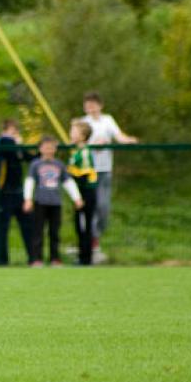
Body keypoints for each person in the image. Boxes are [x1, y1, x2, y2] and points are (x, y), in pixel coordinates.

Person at [79, 92, 138, 258]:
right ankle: (90, 241)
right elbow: (77, 141)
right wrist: (93, 144)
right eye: (87, 104)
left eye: (92, 104)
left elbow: (118, 136)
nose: (89, 107)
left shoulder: (107, 120)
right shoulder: (83, 122)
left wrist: (128, 140)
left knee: (103, 206)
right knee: (90, 206)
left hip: (105, 169)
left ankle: (95, 235)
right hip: (88, 170)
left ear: (100, 105)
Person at [23, 136, 84, 267]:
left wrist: (77, 198)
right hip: (40, 202)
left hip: (56, 203)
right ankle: (36, 259)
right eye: (46, 147)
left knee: (54, 232)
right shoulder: (35, 165)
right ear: (40, 148)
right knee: (38, 232)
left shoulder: (59, 165)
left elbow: (68, 182)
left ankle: (55, 258)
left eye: (51, 147)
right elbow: (30, 181)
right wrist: (28, 199)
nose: (49, 150)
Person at [0, 119, 33, 265]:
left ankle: (33, 258)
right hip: (4, 194)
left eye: (16, 132)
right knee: (3, 228)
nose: (14, 135)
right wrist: (15, 142)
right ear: (4, 131)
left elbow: (30, 157)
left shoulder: (17, 147)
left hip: (19, 193)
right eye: (12, 132)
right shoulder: (4, 143)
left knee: (28, 226)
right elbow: (8, 149)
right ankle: (2, 260)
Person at [67, 120, 98, 265]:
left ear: (83, 136)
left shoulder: (84, 153)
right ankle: (82, 256)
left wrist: (80, 198)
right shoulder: (76, 151)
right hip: (78, 195)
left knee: (84, 226)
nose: (70, 134)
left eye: (74, 131)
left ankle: (86, 258)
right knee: (78, 225)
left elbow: (84, 176)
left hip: (86, 195)